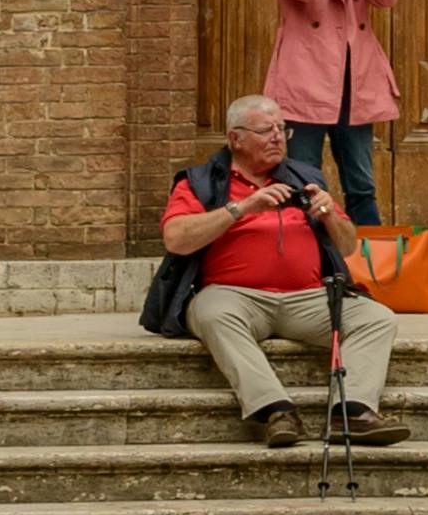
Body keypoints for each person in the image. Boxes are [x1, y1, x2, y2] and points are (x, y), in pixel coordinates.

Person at [158, 91, 396, 444]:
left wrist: (329, 214)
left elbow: (347, 246)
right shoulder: (200, 181)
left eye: (282, 129)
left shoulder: (305, 176)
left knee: (378, 319)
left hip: (307, 298)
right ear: (234, 138)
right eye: (265, 130)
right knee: (211, 313)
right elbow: (176, 239)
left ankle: (352, 410)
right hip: (235, 297)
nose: (277, 138)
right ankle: (276, 411)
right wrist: (242, 209)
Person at [262, 0, 404, 230]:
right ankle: (310, 257)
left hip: (353, 82)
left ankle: (370, 264)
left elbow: (385, 0)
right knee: (306, 181)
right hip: (305, 83)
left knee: (361, 183)